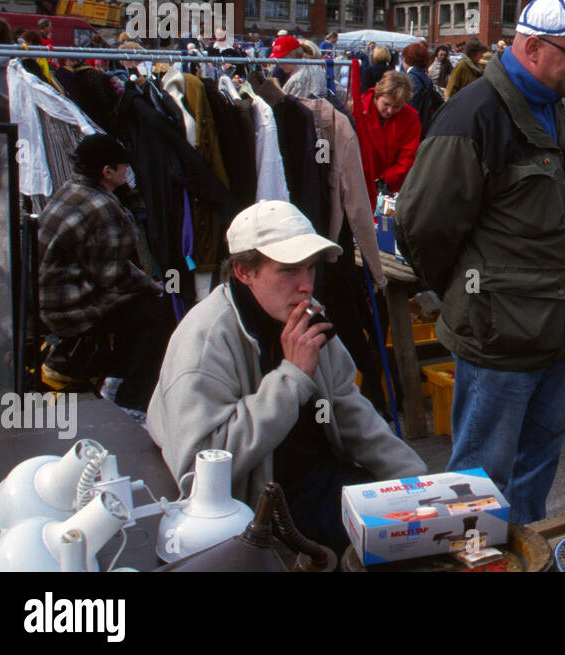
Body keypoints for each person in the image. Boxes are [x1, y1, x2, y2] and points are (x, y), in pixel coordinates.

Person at [394, 0, 565, 523]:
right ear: (532, 47)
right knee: (478, 482)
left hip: (553, 331)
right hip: (499, 340)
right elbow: (421, 224)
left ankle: (524, 553)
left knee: (537, 463)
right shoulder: (474, 114)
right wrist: (470, 296)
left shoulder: (556, 107)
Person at [147, 200, 426, 553]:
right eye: (289, 270)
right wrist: (291, 378)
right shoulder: (205, 341)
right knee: (388, 547)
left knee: (418, 532)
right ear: (244, 272)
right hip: (255, 504)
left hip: (323, 480)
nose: (305, 285)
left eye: (310, 268)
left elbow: (351, 412)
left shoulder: (306, 319)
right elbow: (199, 470)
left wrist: (419, 483)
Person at [36, 134, 172, 406]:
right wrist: (154, 286)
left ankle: (114, 377)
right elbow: (112, 278)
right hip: (68, 307)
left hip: (46, 297)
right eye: (123, 167)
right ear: (107, 172)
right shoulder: (104, 207)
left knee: (139, 306)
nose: (128, 171)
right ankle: (130, 397)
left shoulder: (69, 190)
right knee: (158, 314)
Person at [354, 70, 421, 203]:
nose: (390, 110)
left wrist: (387, 179)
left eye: (396, 107)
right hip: (359, 183)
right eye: (386, 104)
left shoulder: (410, 118)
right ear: (377, 96)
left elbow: (408, 156)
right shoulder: (356, 110)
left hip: (390, 188)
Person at [401, 41, 443, 135]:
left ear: (406, 59)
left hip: (414, 125)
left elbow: (410, 106)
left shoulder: (411, 78)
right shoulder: (424, 76)